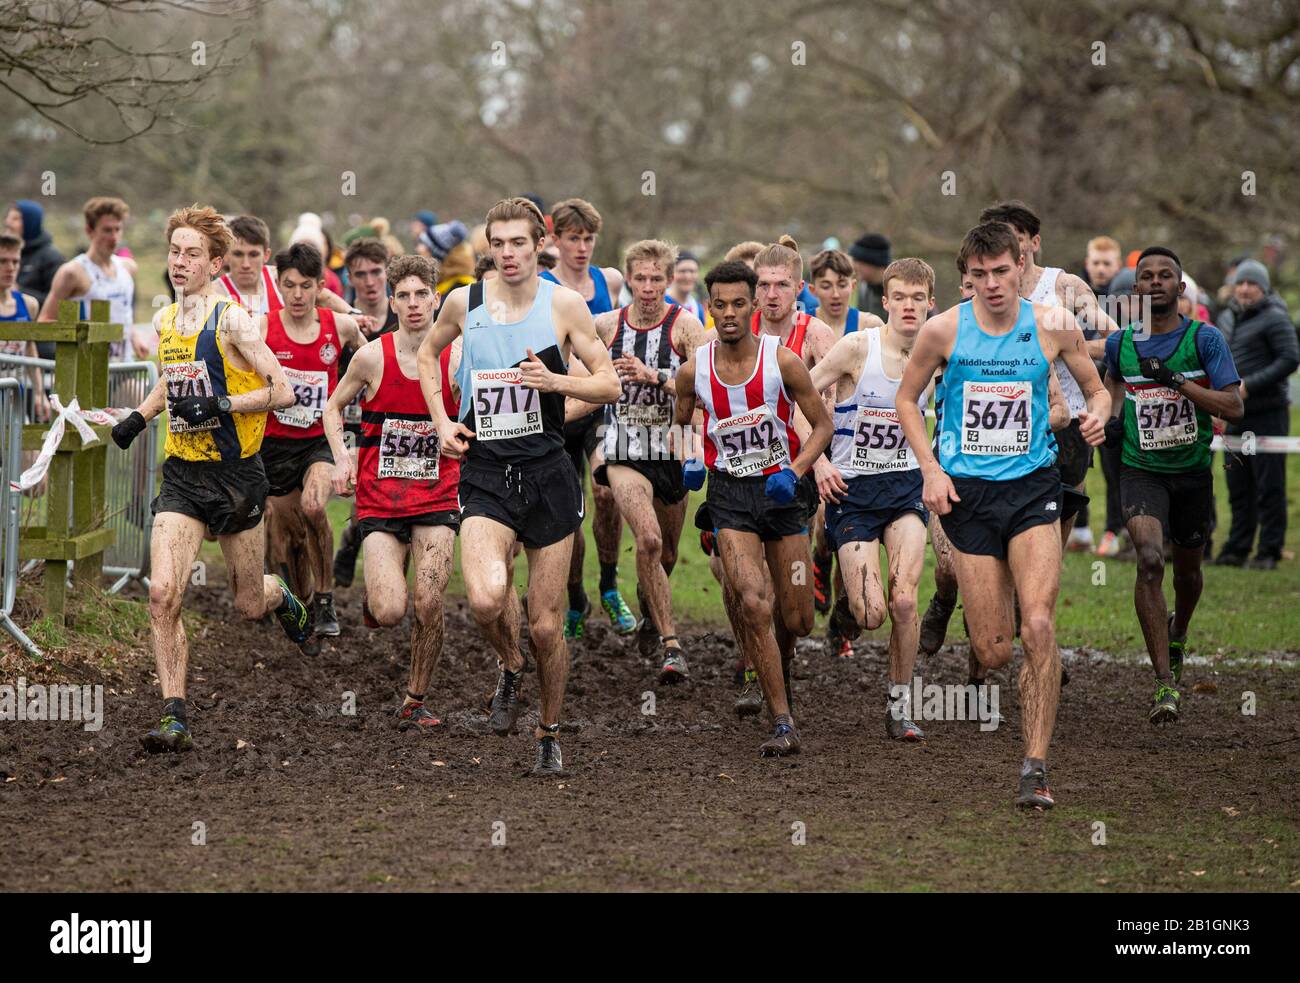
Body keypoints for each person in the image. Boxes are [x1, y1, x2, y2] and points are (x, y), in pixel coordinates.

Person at [895, 221, 1109, 809]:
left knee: (1038, 625)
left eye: (1002, 271)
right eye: (979, 275)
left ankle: (1034, 768)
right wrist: (931, 470)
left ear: (1022, 265)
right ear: (968, 277)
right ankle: (984, 611)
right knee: (992, 649)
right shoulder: (942, 331)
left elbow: (1097, 390)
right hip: (968, 495)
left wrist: (1097, 413)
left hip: (1034, 489)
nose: (991, 284)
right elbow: (906, 399)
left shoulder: (1053, 326)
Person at [416, 197, 621, 774]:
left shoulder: (564, 304)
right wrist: (439, 421)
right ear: (489, 247)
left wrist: (554, 380)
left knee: (545, 623)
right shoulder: (465, 301)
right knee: (484, 598)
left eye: (519, 244)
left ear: (539, 245)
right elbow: (428, 357)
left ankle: (549, 730)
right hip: (485, 470)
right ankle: (510, 666)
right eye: (498, 244)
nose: (508, 254)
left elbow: (608, 385)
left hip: (549, 475)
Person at [109, 205, 314, 753]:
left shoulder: (233, 320)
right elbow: (173, 384)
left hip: (237, 477)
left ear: (215, 263)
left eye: (192, 254)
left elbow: (283, 390)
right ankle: (174, 714)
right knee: (161, 594)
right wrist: (139, 416)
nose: (179, 262)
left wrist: (223, 402)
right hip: (182, 476)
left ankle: (282, 595)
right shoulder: (164, 321)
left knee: (248, 604)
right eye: (174, 252)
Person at [676, 260, 833, 756]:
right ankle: (782, 719)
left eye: (738, 304)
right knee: (751, 600)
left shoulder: (782, 361)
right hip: (730, 497)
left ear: (753, 307)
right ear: (709, 307)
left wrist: (797, 470)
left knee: (799, 617)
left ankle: (778, 668)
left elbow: (822, 426)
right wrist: (688, 461)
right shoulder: (692, 371)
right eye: (718, 304)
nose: (728, 313)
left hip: (782, 497)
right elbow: (681, 421)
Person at [1102, 247, 1243, 723]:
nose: (1156, 281)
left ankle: (1178, 629)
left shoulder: (1205, 340)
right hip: (1140, 469)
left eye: (1166, 276)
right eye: (1147, 276)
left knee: (1187, 574)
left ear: (1180, 289)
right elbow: (1110, 390)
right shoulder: (1120, 345)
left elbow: (1233, 406)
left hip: (1191, 474)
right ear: (1136, 289)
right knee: (1148, 559)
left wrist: (1178, 383)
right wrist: (1110, 417)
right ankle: (1165, 684)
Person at [324, 254, 462, 728]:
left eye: (421, 294)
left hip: (439, 495)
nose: (413, 303)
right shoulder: (371, 356)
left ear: (436, 298)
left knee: (428, 601)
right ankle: (377, 589)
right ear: (392, 301)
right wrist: (342, 457)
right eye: (402, 295)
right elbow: (332, 408)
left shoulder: (457, 355)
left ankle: (416, 698)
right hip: (381, 499)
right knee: (388, 611)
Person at [568, 239, 708, 679]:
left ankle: (651, 606)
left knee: (665, 554)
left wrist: (659, 377)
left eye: (656, 279)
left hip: (671, 450)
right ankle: (672, 646)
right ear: (628, 279)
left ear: (669, 281)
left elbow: (707, 390)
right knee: (646, 539)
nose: (648, 287)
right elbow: (577, 374)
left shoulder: (686, 327)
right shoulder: (605, 325)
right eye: (640, 278)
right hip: (623, 448)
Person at [811, 258, 938, 740]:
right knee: (872, 614)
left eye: (917, 298)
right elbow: (800, 394)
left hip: (906, 487)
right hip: (853, 491)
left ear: (931, 303)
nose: (909, 306)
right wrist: (819, 461)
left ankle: (900, 704)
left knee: (904, 602)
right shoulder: (856, 348)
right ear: (884, 303)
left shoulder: (938, 352)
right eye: (899, 297)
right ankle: (846, 610)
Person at [978, 201, 1118, 554]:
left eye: (1017, 237)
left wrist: (1068, 348)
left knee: (1052, 537)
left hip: (1065, 423)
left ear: (1034, 243)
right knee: (1001, 531)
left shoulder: (1064, 285)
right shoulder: (982, 288)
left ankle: (1036, 607)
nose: (1009, 244)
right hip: (1003, 421)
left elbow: (1117, 339)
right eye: (1000, 236)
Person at [539, 198, 635, 638]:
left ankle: (611, 586)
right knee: (568, 511)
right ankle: (576, 596)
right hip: (559, 409)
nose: (581, 248)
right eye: (573, 238)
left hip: (598, 405)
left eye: (588, 239)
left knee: (608, 493)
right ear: (554, 239)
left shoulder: (609, 280)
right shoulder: (542, 285)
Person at [259, 243, 363, 634]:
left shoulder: (341, 327)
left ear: (320, 286)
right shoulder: (262, 328)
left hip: (319, 442)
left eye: (306, 286)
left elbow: (373, 367)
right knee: (286, 535)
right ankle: (296, 601)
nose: (298, 295)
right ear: (279, 285)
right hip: (273, 447)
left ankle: (325, 598)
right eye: (289, 285)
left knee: (315, 506)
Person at [1215, 260, 1298, 570]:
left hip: (1267, 414)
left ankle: (1269, 550)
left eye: (1252, 284)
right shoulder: (1227, 317)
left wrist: (1250, 385)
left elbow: (1290, 358)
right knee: (1238, 485)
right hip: (1236, 415)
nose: (1246, 289)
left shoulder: (1276, 318)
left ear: (1263, 288)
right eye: (1241, 283)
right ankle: (1237, 548)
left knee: (1269, 485)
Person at [332, 238, 401, 588]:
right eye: (361, 274)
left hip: (391, 418)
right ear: (350, 277)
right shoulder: (343, 320)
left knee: (385, 493)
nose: (370, 281)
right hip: (350, 417)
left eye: (377, 272)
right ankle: (350, 543)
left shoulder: (402, 313)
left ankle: (355, 543)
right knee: (361, 486)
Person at [38, 197, 137, 360]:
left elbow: (124, 315)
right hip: (87, 366)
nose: (113, 237)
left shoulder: (128, 267)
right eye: (107, 230)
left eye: (117, 229)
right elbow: (45, 321)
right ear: (89, 231)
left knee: (145, 385)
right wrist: (80, 333)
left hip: (123, 366)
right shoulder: (72, 272)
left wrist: (134, 336)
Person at [0, 231, 47, 422]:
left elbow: (29, 347)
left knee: (29, 450)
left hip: (15, 398)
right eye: (2, 261)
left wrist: (39, 393)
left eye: (15, 261)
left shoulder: (29, 304)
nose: (10, 268)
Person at [807, 248, 883, 342]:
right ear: (813, 290)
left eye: (842, 285)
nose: (835, 294)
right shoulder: (799, 325)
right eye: (826, 287)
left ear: (853, 286)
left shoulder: (870, 326)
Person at [848, 233, 891, 319]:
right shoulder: (864, 288)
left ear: (872, 262)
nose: (854, 266)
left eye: (857, 260)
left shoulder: (898, 289)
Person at [665, 250, 707, 324]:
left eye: (692, 271)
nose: (687, 276)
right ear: (671, 273)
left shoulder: (697, 309)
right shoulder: (661, 301)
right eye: (682, 271)